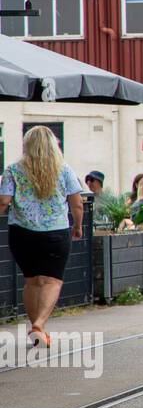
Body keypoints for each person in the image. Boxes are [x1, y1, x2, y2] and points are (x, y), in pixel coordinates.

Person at [0, 126, 84, 349]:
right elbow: (77, 203)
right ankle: (39, 325)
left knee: (32, 280)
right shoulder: (64, 170)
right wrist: (78, 226)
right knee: (52, 281)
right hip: (55, 233)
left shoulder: (13, 171)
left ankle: (36, 326)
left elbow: (3, 202)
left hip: (22, 233)